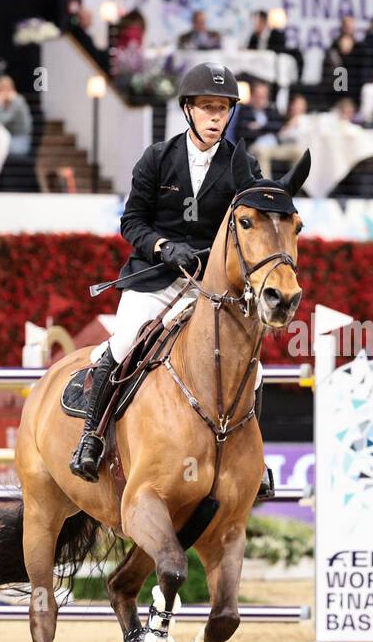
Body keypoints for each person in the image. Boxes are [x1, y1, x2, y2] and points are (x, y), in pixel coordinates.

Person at [70, 62, 275, 501]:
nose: (216, 117)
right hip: (157, 280)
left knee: (252, 369)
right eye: (207, 107)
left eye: (222, 108)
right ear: (188, 110)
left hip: (211, 289)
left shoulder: (242, 165)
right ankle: (91, 437)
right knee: (121, 344)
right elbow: (132, 222)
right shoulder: (157, 159)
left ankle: (255, 461)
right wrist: (164, 246)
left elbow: (256, 218)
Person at [0, 75, 32, 155]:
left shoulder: (18, 101)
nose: (3, 92)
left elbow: (2, 120)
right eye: (0, 89)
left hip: (20, 141)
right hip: (7, 139)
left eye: (6, 88)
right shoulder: (5, 103)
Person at [233, 80, 283, 145]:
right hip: (253, 147)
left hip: (274, 146)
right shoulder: (245, 111)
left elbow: (279, 126)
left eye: (263, 97)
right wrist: (267, 131)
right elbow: (243, 133)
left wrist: (260, 126)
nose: (260, 100)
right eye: (258, 97)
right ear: (252, 96)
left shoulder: (270, 111)